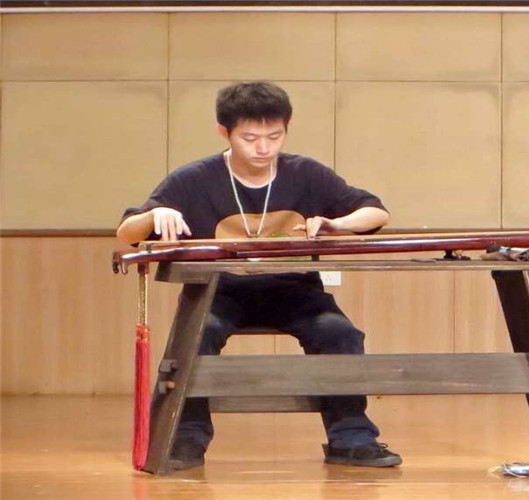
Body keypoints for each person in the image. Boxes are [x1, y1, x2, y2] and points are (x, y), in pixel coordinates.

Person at [116, 81, 402, 470]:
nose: (263, 148)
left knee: (340, 334)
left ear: (287, 128)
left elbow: (376, 211)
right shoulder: (193, 179)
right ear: (224, 132)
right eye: (250, 138)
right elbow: (126, 233)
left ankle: (352, 439)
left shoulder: (306, 173)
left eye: (274, 136)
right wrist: (153, 215)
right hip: (218, 291)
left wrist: (338, 224)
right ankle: (185, 439)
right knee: (198, 335)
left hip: (297, 291)